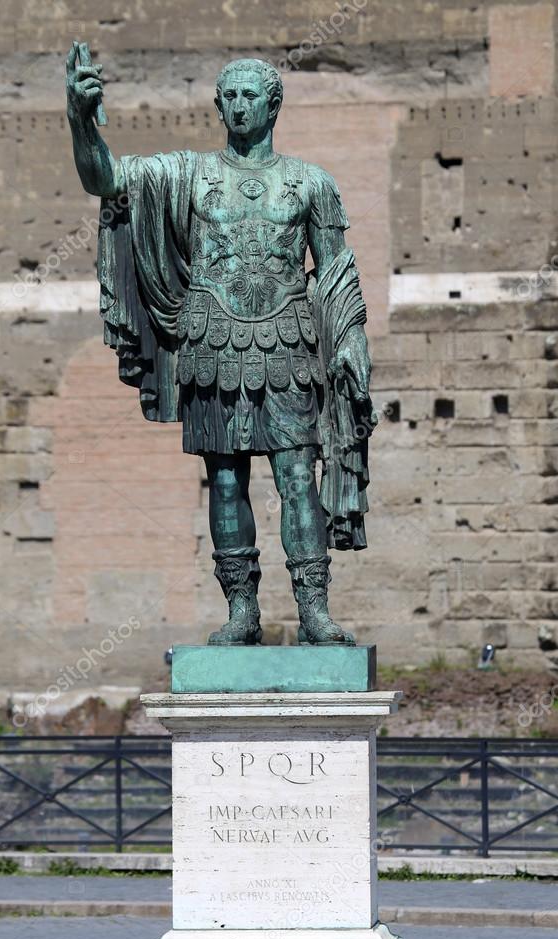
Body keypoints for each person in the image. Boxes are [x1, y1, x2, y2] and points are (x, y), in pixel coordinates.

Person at [66, 46, 376, 646]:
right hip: (212, 343)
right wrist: (80, 118)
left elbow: (337, 271)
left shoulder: (312, 183)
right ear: (217, 106)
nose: (238, 106)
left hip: (289, 344)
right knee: (226, 482)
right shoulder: (187, 174)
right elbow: (104, 179)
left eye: (249, 96)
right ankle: (242, 610)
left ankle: (314, 609)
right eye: (228, 97)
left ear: (273, 105)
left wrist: (351, 337)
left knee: (297, 477)